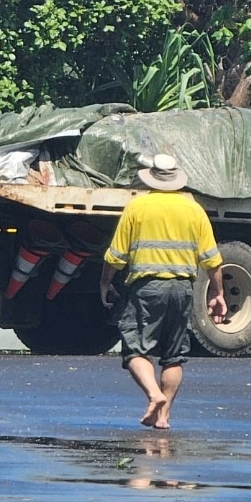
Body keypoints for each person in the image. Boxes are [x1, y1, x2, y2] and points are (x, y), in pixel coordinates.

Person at [99, 153, 226, 429]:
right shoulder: (194, 210)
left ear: (151, 177)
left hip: (147, 287)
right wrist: (218, 294)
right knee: (173, 355)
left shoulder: (138, 207)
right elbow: (212, 259)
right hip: (182, 288)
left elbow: (116, 255)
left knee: (135, 349)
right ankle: (164, 416)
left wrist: (105, 283)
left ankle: (154, 395)